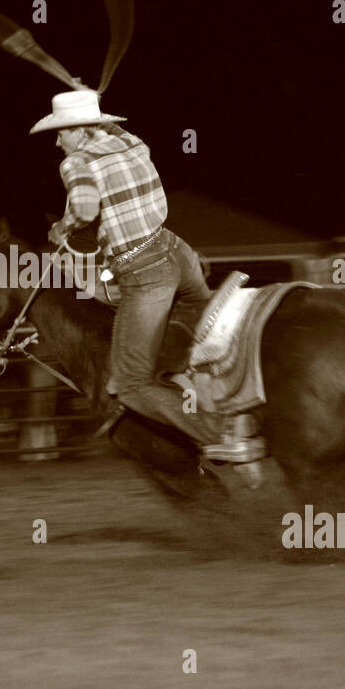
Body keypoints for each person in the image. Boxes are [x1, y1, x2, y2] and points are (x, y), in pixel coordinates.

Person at [30, 89, 250, 460]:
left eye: (62, 131)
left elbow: (84, 209)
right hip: (177, 253)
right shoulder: (132, 145)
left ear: (81, 131)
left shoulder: (75, 162)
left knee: (130, 384)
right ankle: (240, 402)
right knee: (204, 336)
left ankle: (220, 433)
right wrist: (94, 113)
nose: (57, 140)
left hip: (145, 271)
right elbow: (116, 132)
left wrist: (62, 228)